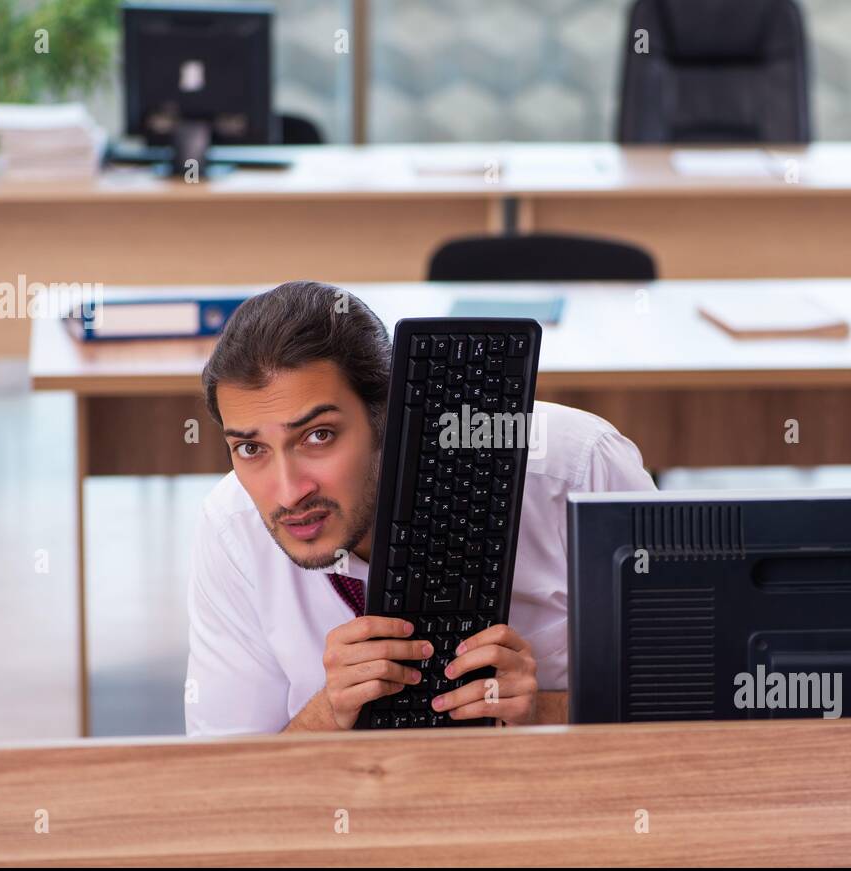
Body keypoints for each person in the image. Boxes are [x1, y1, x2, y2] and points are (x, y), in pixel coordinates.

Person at [185, 280, 655, 734]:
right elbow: (226, 785)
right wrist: (329, 713)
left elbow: (698, 695)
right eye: (250, 449)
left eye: (318, 436)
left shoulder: (578, 469)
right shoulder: (232, 527)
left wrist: (544, 713)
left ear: (389, 419)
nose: (288, 493)